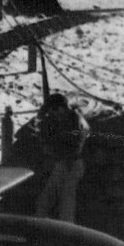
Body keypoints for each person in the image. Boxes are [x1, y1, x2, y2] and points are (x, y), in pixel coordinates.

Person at [33, 93, 90, 224]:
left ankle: (68, 236)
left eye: (53, 110)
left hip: (71, 165)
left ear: (61, 108)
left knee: (66, 206)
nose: (52, 114)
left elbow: (72, 146)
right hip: (64, 164)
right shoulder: (69, 118)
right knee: (45, 201)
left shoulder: (74, 120)